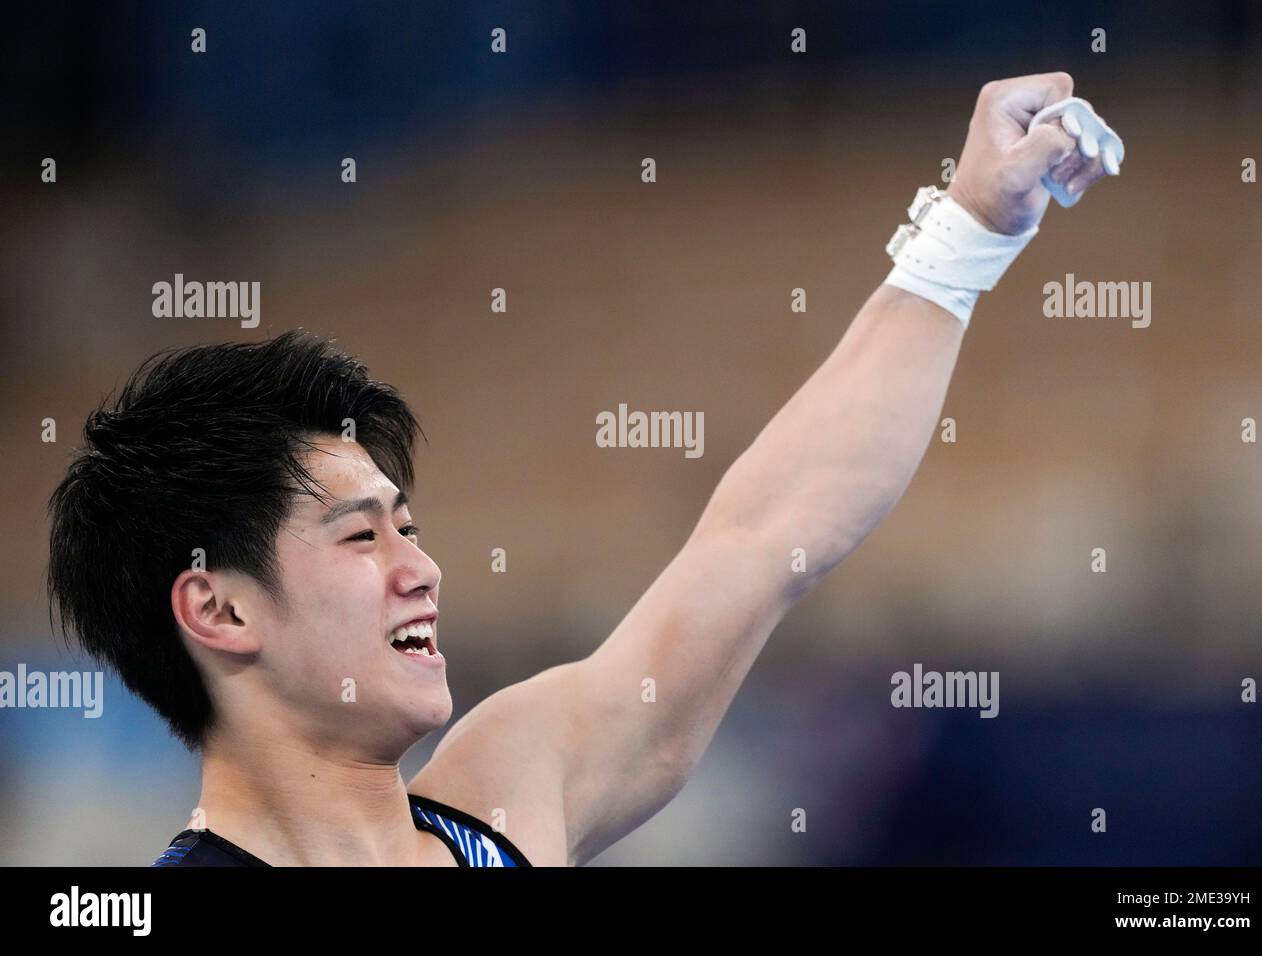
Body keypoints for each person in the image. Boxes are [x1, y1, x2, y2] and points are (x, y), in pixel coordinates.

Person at [46, 72, 1114, 866]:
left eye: (408, 528)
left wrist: (967, 235)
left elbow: (762, 535)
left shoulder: (511, 788)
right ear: (219, 607)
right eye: (361, 535)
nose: (421, 569)